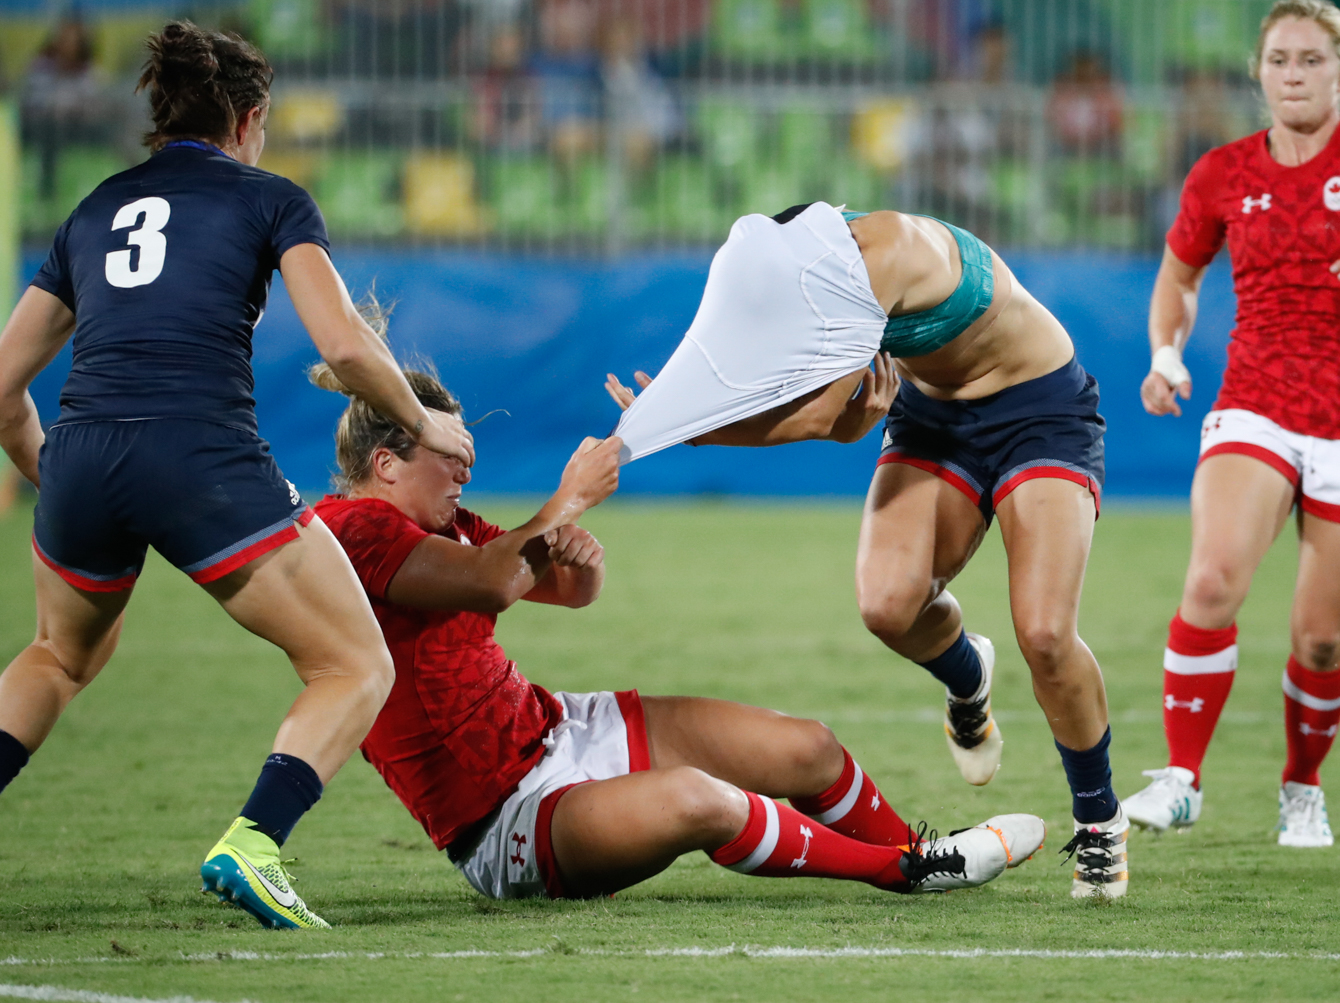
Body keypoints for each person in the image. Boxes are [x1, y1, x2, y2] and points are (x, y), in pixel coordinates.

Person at [0, 22, 474, 930]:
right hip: (200, 455)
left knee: (58, 656)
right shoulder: (271, 200)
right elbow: (344, 344)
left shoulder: (94, 209)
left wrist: (57, 470)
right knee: (352, 661)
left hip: (86, 450)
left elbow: (3, 386)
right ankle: (255, 843)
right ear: (251, 118)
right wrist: (425, 423)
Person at [309, 359, 1046, 901]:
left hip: (559, 728)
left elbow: (567, 589)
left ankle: (919, 848)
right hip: (505, 820)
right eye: (451, 460)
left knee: (808, 747)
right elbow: (497, 578)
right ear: (386, 463)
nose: (465, 476)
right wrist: (564, 504)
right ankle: (909, 871)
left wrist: (578, 557)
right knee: (702, 801)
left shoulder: (443, 521)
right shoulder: (351, 528)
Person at [606, 199, 1125, 899]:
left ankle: (1098, 820)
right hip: (933, 417)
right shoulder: (803, 267)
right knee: (887, 606)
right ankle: (967, 677)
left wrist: (693, 434)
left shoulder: (875, 261)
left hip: (1037, 412)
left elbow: (824, 419)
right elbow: (794, 396)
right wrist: (667, 412)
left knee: (1044, 631)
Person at [1125, 0, 1340, 849]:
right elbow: (1179, 277)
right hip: (1257, 398)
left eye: (1313, 60)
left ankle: (1301, 788)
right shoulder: (1221, 172)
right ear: (1259, 74)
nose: (1295, 74)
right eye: (1280, 59)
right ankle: (1182, 778)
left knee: (1322, 642)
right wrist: (1166, 353)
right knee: (1212, 581)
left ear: (1337, 69)